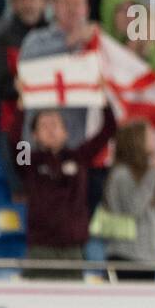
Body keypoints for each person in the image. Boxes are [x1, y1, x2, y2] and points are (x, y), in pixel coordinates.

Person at [22, 106, 114, 278]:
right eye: (44, 125)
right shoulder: (29, 163)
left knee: (71, 303)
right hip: (40, 249)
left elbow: (108, 130)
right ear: (34, 135)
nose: (50, 130)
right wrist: (22, 107)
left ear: (66, 132)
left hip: (72, 250)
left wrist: (103, 102)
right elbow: (16, 142)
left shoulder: (80, 157)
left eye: (55, 124)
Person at [101, 118, 155, 279]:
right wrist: (153, 172)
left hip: (150, 258)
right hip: (125, 257)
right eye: (151, 135)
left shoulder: (151, 174)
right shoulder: (121, 174)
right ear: (136, 139)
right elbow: (133, 209)